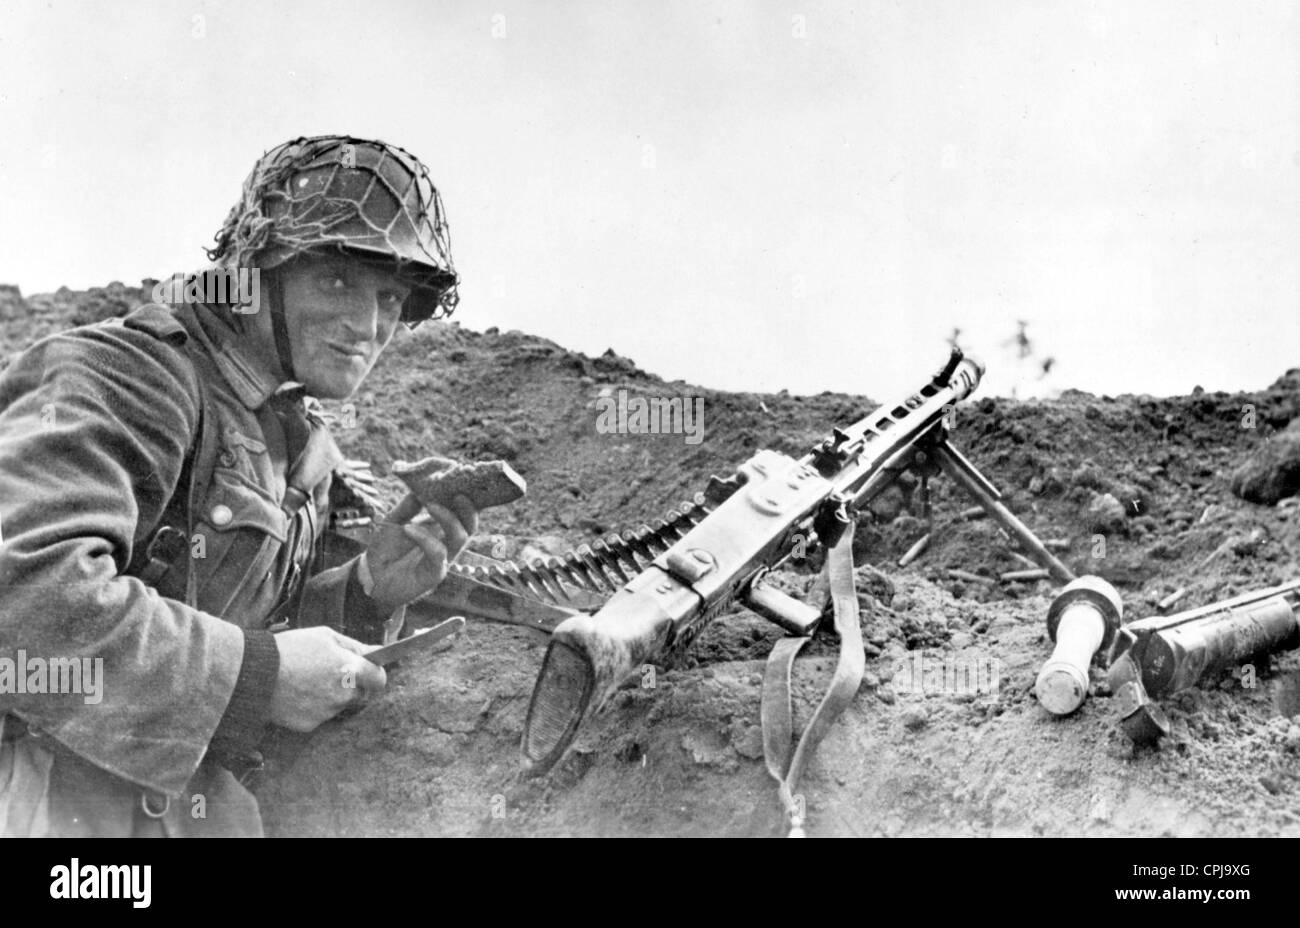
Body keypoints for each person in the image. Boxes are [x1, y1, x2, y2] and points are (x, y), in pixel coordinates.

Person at [0, 135, 479, 836]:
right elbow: (22, 596)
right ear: (257, 271)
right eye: (338, 281)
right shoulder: (130, 377)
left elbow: (244, 631)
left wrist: (365, 590)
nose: (368, 325)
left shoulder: (293, 438)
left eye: (390, 296)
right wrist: (257, 675)